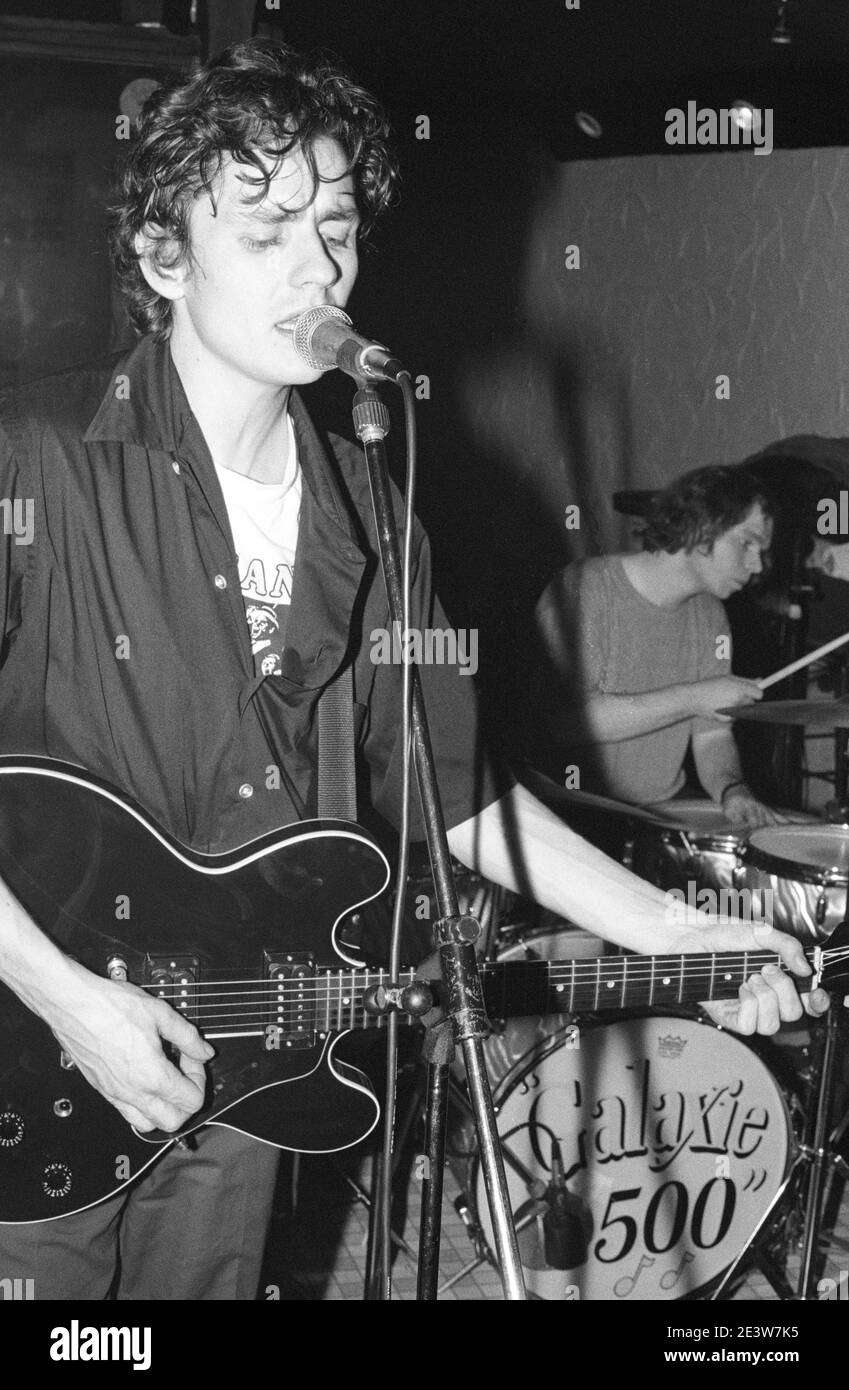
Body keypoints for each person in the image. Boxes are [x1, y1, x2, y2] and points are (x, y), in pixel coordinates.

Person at [0, 42, 824, 1302]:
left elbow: (451, 792)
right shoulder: (37, 456)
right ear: (167, 258)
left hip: (248, 1060)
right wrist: (65, 997)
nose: (318, 265)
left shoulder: (374, 511)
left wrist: (681, 930)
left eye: (333, 227)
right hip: (31, 1037)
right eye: (265, 227)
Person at [535, 466, 785, 831]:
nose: (756, 565)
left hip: (657, 817)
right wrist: (694, 697)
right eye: (747, 543)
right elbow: (569, 722)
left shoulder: (711, 615)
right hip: (567, 815)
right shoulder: (583, 589)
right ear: (703, 527)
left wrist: (733, 789)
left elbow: (712, 734)